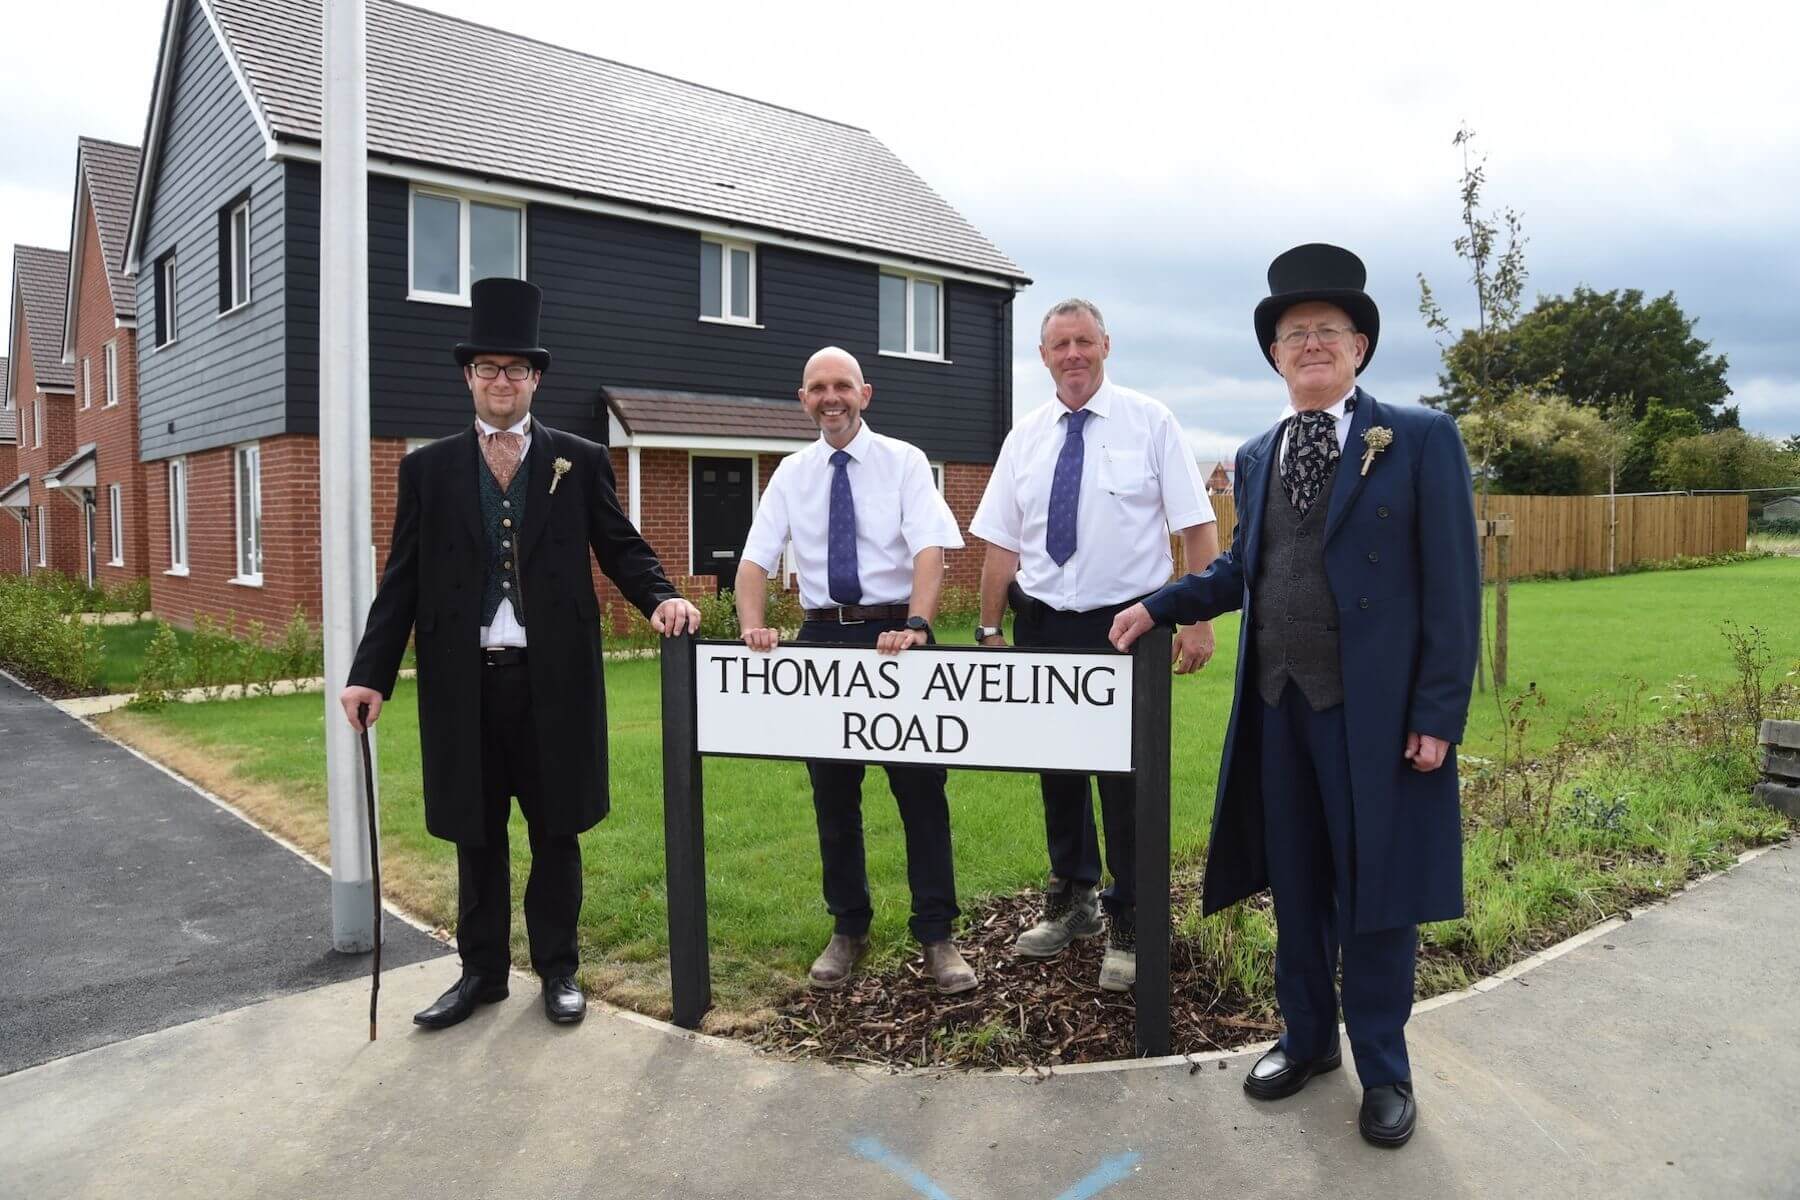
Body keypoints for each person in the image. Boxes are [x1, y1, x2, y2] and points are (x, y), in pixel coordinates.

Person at [1110, 244, 1479, 1147]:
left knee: (1377, 893)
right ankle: (1307, 1041)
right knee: (1298, 885)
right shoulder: (1255, 453)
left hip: (1374, 719)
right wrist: (1162, 604)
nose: (1310, 344)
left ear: (1359, 347)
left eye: (1327, 331)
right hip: (1279, 712)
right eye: (1293, 334)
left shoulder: (1419, 438)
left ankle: (1384, 1070)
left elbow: (1453, 588)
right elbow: (1243, 567)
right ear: (1275, 356)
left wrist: (1437, 715)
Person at [339, 277, 700, 1031]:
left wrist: (662, 597)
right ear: (468, 378)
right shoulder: (428, 469)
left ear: (535, 379)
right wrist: (370, 674)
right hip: (463, 684)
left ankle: (559, 969)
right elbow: (401, 578)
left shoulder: (580, 460)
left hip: (553, 681)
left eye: (515, 370)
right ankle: (481, 974)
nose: (500, 382)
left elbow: (621, 547)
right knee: (475, 835)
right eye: (487, 369)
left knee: (555, 830)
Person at [969, 298, 1219, 992]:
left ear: (1106, 345)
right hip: (1043, 625)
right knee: (1058, 769)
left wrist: (1199, 617)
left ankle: (1133, 920)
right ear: (1043, 356)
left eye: (1084, 341)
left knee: (1126, 779)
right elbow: (1002, 542)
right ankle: (1073, 900)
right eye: (1060, 344)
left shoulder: (1150, 422)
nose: (1073, 354)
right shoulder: (1025, 438)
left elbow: (1196, 526)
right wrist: (989, 629)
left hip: (1127, 627)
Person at [734, 346, 977, 994]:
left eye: (842, 385)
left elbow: (930, 551)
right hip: (821, 637)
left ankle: (937, 935)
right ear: (803, 399)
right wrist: (753, 625)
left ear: (864, 394)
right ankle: (848, 926)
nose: (830, 397)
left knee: (920, 792)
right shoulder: (791, 474)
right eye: (818, 388)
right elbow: (754, 561)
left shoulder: (904, 462)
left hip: (896, 635)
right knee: (833, 795)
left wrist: (918, 625)